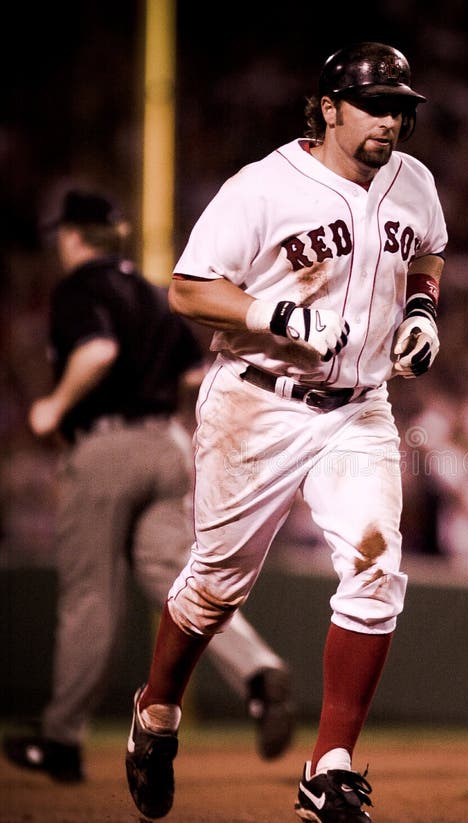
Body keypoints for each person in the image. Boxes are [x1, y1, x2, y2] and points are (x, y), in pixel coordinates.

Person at [124, 41, 447, 823]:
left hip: (359, 407)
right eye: (375, 105)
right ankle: (156, 711)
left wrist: (422, 312)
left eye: (400, 108)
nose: (390, 121)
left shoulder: (414, 181)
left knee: (377, 565)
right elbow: (188, 287)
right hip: (257, 404)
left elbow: (428, 254)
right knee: (215, 588)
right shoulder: (263, 188)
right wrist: (272, 314)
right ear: (329, 107)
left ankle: (330, 766)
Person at [2, 188, 295, 783]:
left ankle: (62, 738)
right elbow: (194, 368)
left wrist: (54, 406)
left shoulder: (79, 287)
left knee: (90, 594)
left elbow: (98, 349)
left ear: (71, 236)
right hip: (166, 444)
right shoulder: (147, 288)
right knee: (182, 580)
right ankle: (258, 671)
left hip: (108, 446)